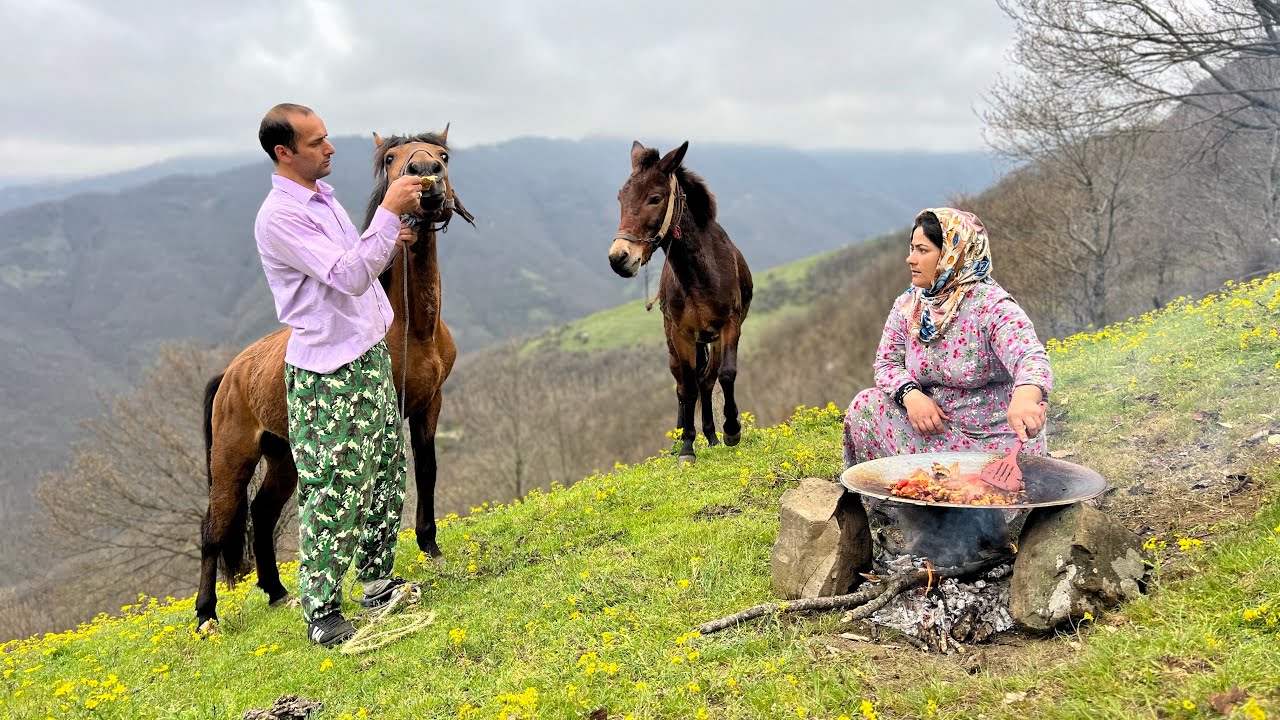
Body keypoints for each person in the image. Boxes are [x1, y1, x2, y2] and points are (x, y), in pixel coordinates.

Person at [254, 103, 424, 647]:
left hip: (367, 351)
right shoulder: (280, 217)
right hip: (328, 372)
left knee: (386, 469)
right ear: (284, 153)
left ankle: (376, 582)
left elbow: (353, 264)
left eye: (326, 138)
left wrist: (387, 242)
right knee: (336, 488)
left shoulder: (322, 198)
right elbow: (348, 276)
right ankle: (322, 611)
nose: (329, 149)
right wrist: (388, 211)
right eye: (316, 142)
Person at [843, 207, 1052, 470]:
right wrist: (911, 395)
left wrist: (1025, 398)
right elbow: (887, 364)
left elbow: (1030, 357)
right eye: (912, 248)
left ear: (951, 255)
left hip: (996, 447)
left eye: (922, 250)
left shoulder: (991, 305)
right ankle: (899, 497)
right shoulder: (909, 305)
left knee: (987, 493)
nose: (910, 259)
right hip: (935, 432)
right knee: (866, 406)